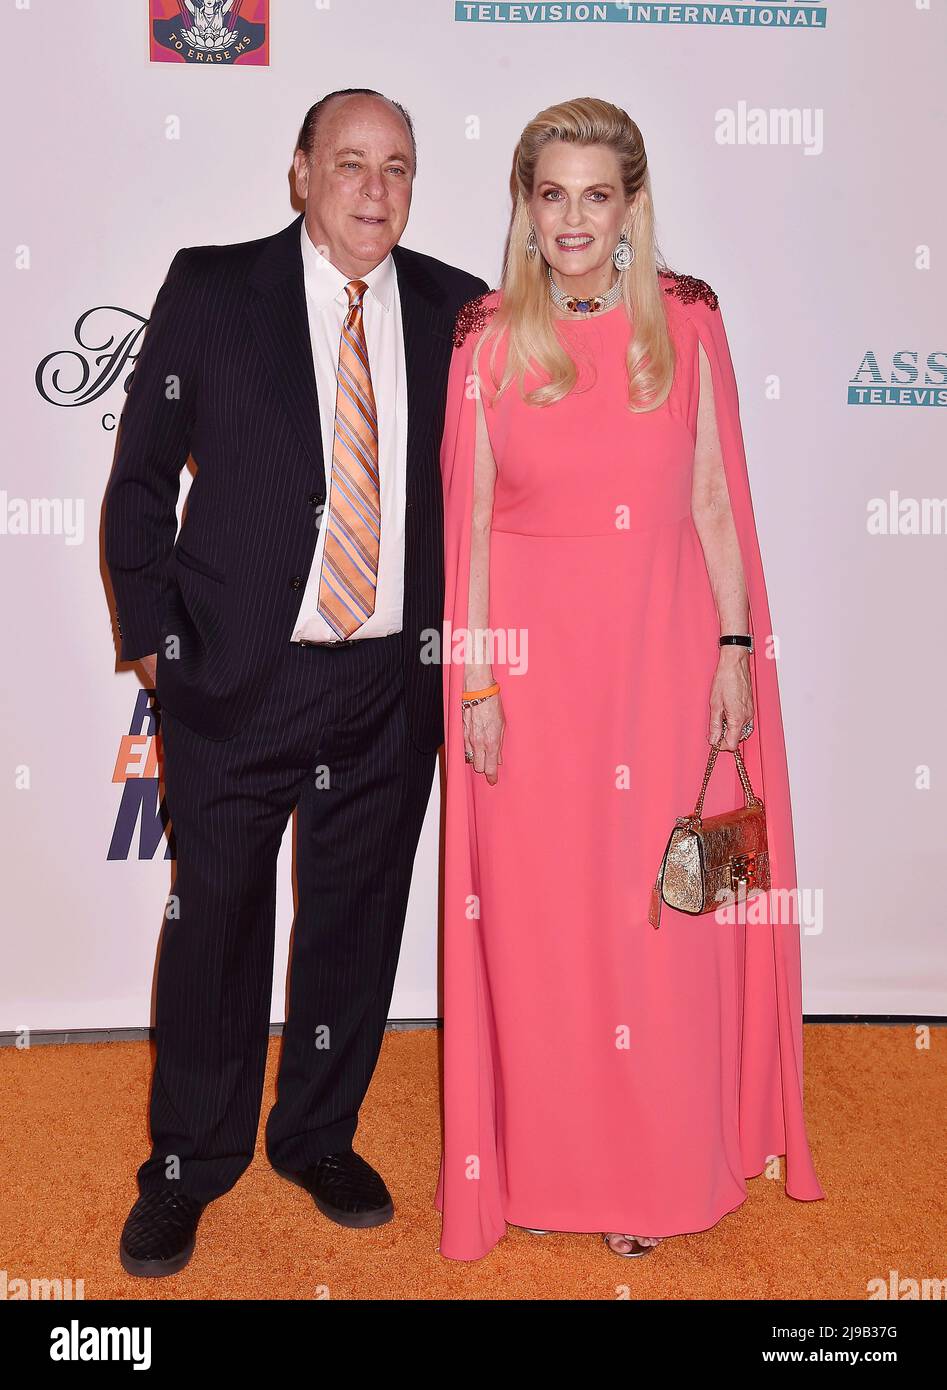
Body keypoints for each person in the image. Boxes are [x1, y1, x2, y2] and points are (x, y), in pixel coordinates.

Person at [104, 88, 488, 1277]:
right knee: (214, 923)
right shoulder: (215, 290)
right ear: (300, 175)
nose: (375, 190)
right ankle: (189, 1162)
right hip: (239, 680)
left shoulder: (454, 307)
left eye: (398, 167)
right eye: (350, 164)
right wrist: (163, 649)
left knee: (355, 923)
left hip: (386, 684)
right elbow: (138, 483)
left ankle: (317, 1133)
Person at [435, 97, 825, 1261]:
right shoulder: (486, 338)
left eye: (594, 194)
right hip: (534, 682)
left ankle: (652, 1168)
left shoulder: (688, 324)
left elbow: (715, 503)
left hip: (662, 660)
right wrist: (477, 689)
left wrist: (735, 652)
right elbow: (471, 540)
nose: (570, 217)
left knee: (660, 916)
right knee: (545, 929)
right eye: (549, 193)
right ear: (524, 205)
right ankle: (554, 1165)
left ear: (630, 206)